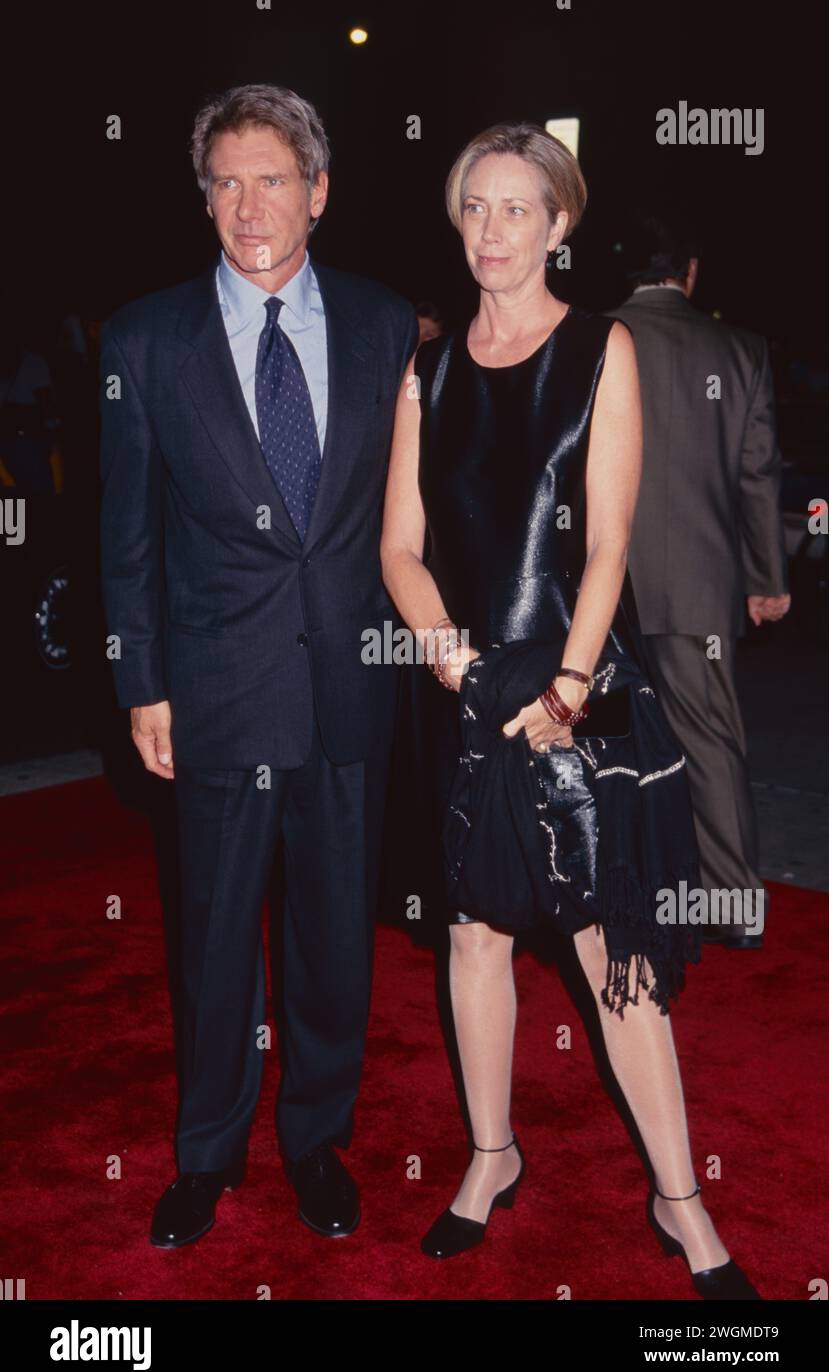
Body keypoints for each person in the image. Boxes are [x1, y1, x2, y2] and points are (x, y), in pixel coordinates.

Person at [380, 122, 761, 1298]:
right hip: (463, 688)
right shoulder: (425, 367)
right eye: (473, 208)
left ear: (558, 226)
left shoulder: (603, 350)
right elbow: (397, 547)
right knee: (474, 935)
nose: (490, 232)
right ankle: (492, 1155)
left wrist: (561, 686)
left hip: (575, 689)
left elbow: (605, 547)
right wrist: (452, 664)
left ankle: (678, 1198)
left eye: (515, 210)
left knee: (613, 954)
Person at [98, 84, 418, 1248]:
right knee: (215, 937)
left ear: (318, 193)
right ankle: (207, 1153)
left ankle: (315, 1143)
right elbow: (124, 537)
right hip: (217, 695)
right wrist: (140, 680)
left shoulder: (388, 326)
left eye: (271, 178)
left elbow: (414, 516)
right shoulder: (144, 339)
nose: (247, 204)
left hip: (348, 681)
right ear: (205, 198)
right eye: (225, 181)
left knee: (336, 938)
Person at [606, 212, 790, 948]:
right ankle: (732, 909)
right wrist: (764, 576)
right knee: (710, 743)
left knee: (600, 740)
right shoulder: (740, 349)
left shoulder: (588, 337)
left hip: (601, 586)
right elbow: (757, 474)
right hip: (698, 586)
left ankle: (607, 892)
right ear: (689, 273)